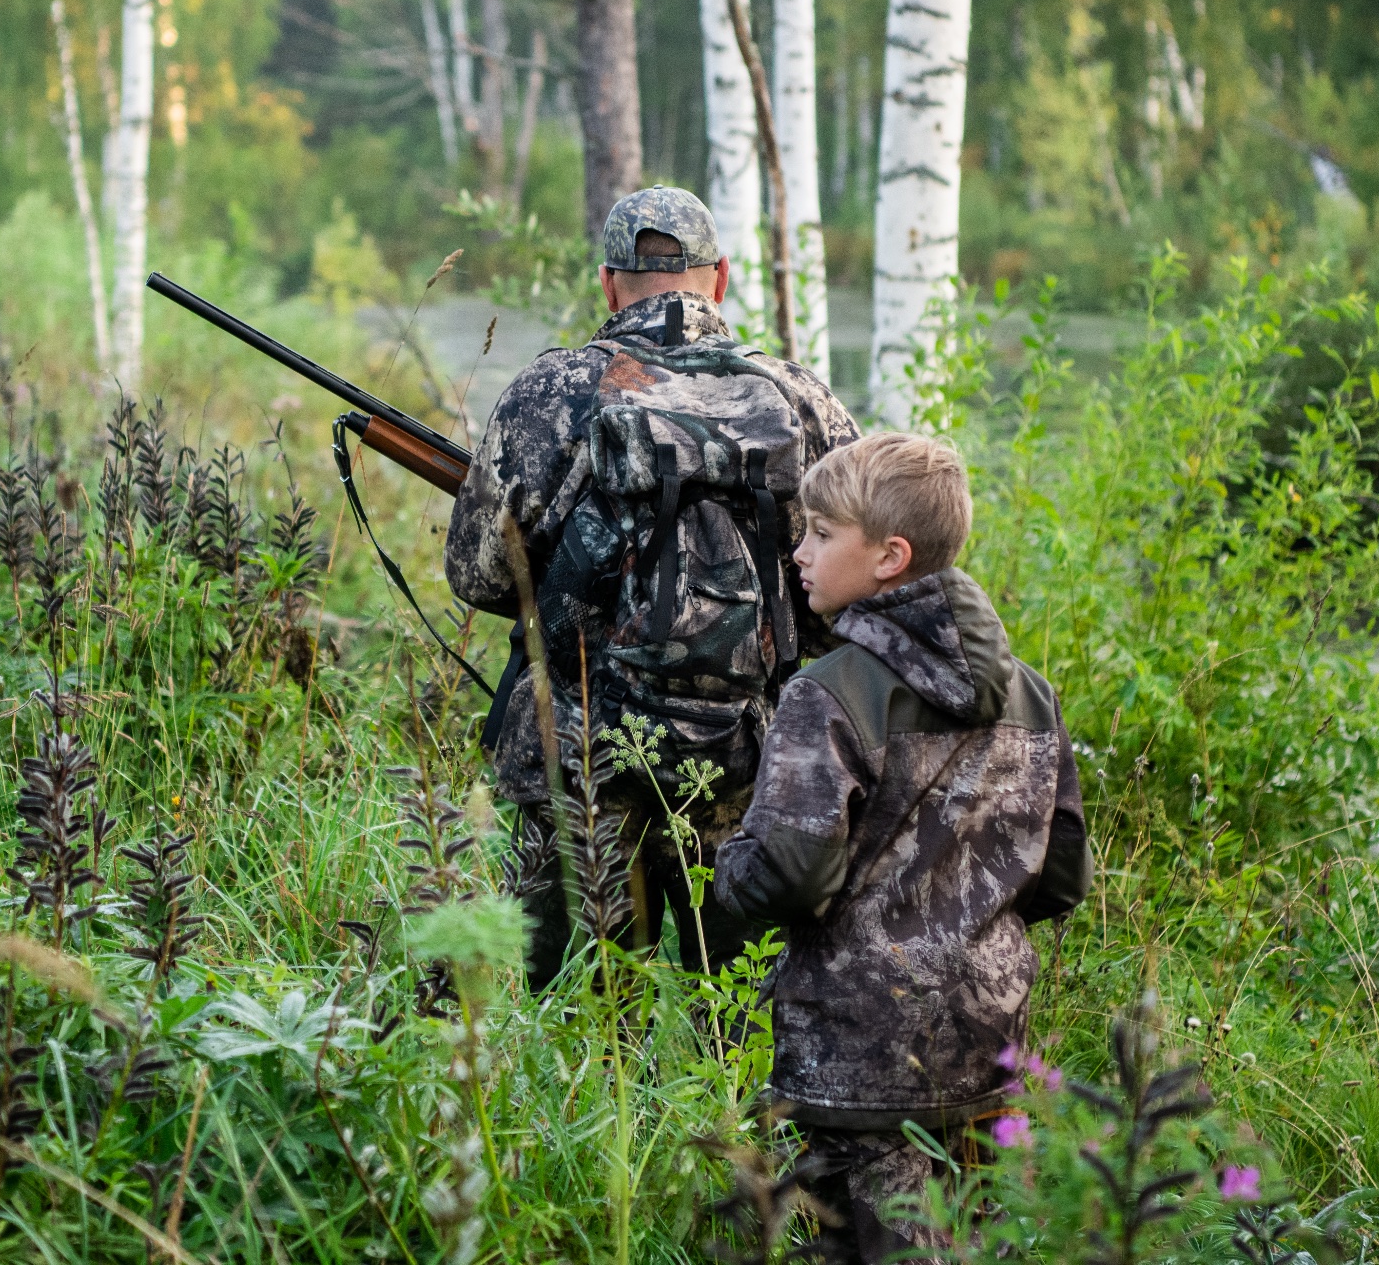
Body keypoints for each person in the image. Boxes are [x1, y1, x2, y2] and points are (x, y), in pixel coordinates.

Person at [444, 186, 859, 989]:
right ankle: (737, 1119)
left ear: (608, 283)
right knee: (741, 1017)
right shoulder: (800, 399)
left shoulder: (553, 390)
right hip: (745, 764)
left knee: (581, 1014)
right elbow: (850, 594)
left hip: (580, 764)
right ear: (722, 279)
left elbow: (478, 574)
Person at [713, 433, 1090, 1263]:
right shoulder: (1032, 693)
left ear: (890, 556)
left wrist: (724, 864)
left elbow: (789, 873)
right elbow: (1061, 872)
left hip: (854, 1065)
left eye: (818, 532)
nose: (799, 553)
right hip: (988, 1052)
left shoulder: (827, 693)